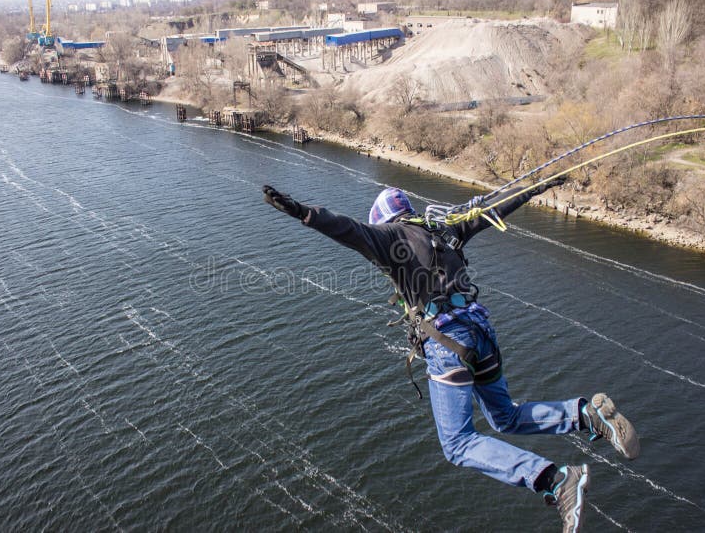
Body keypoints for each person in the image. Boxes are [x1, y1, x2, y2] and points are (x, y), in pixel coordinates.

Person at [262, 183, 639, 533]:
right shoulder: (444, 230)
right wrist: (535, 187)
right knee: (504, 417)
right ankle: (585, 414)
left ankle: (556, 480)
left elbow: (346, 229)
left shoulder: (388, 237)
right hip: (481, 332)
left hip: (449, 343)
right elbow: (493, 208)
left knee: (458, 444)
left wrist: (303, 212)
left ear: (382, 219)